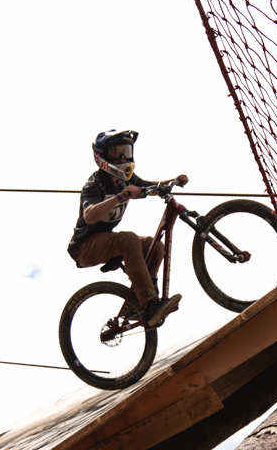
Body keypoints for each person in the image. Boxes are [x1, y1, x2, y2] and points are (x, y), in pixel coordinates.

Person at [68, 129, 188, 328]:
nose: (123, 157)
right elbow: (89, 216)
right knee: (129, 239)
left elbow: (149, 187)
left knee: (154, 245)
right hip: (84, 248)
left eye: (126, 151)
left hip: (106, 241)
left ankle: (137, 305)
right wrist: (120, 197)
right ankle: (149, 303)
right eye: (117, 152)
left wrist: (172, 181)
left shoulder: (126, 179)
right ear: (102, 157)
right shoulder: (94, 185)